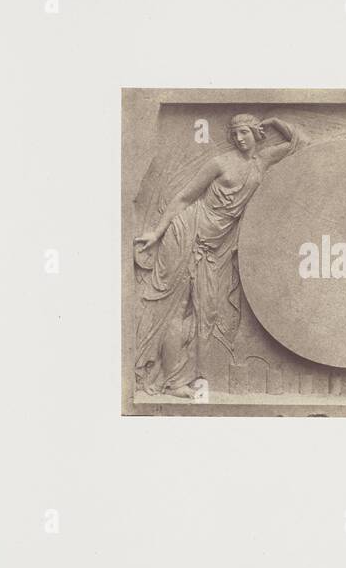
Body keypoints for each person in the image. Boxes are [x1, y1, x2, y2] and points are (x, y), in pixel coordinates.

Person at [132, 114, 307, 398]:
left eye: (245, 133)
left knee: (205, 313)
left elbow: (301, 141)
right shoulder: (219, 163)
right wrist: (156, 233)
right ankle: (171, 382)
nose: (239, 139)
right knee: (181, 309)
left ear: (256, 133)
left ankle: (172, 376)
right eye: (235, 134)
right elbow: (184, 198)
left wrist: (275, 120)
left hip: (210, 244)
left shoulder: (261, 162)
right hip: (187, 231)